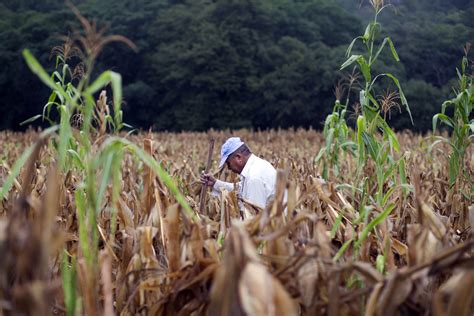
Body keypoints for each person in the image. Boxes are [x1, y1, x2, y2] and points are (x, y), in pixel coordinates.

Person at [200, 137, 277, 214]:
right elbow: (239, 188)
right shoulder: (257, 166)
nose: (229, 168)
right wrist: (215, 183)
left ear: (238, 158)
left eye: (228, 163)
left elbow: (253, 218)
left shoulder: (254, 178)